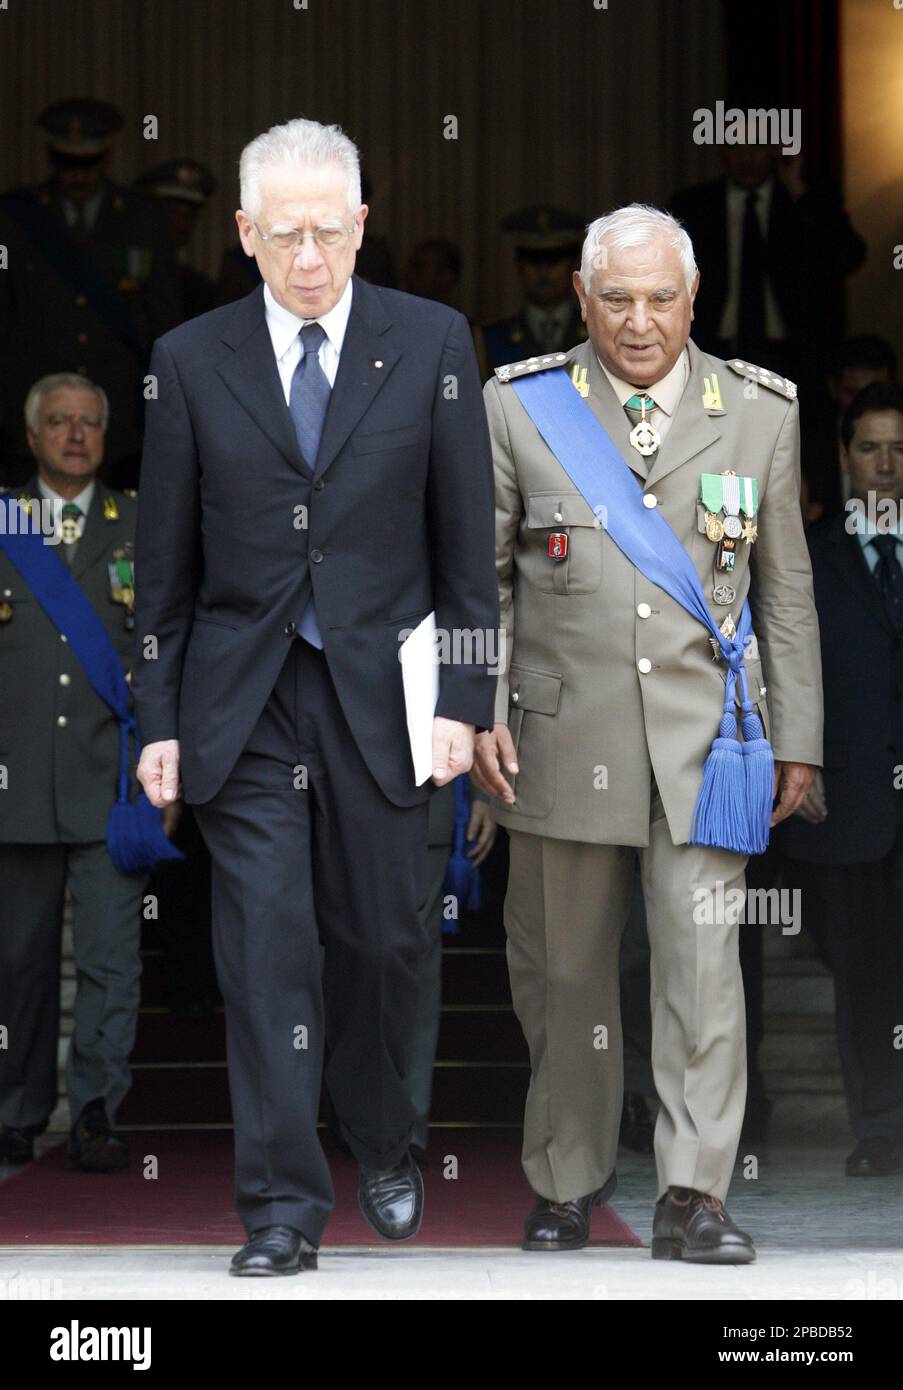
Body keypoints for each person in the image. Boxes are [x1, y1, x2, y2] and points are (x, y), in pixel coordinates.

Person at [131, 117, 498, 1277]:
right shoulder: (190, 360)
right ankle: (283, 1208)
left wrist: (466, 695)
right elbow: (166, 568)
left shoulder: (432, 340)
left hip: (385, 698)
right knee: (265, 955)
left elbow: (465, 553)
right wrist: (162, 723)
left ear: (361, 227)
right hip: (245, 701)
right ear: (243, 235)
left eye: (328, 233)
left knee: (387, 942)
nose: (307, 257)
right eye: (283, 234)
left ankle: (385, 1138)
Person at [473, 203, 822, 1263]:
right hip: (556, 736)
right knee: (566, 977)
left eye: (659, 298)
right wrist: (477, 718)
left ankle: (693, 1197)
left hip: (708, 749)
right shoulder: (521, 406)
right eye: (614, 298)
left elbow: (787, 590)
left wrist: (798, 736)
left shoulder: (760, 410)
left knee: (703, 976)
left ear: (694, 299)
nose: (637, 321)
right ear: (580, 298)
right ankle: (568, 1180)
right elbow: (481, 581)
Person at [0, 374, 151, 1172]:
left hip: (112, 787)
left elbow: (163, 659)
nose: (75, 435)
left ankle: (95, 1108)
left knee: (109, 960)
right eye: (59, 422)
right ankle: (16, 1111)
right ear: (32, 436)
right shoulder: (1, 523)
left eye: (89, 422)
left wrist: (166, 766)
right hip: (14, 783)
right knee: (16, 962)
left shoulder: (139, 526)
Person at [780, 383, 903, 1177]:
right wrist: (800, 755)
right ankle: (881, 1125)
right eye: (869, 448)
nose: (885, 466)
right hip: (852, 799)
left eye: (898, 451)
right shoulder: (807, 557)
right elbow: (777, 662)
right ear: (842, 456)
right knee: (863, 974)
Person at [0, 99, 181, 489]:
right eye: (66, 163)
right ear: (51, 158)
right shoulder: (15, 219)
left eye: (87, 164)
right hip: (32, 408)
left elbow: (165, 319)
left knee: (116, 531)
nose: (76, 176)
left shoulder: (141, 217)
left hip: (117, 415)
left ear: (106, 158)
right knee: (27, 530)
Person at [669, 147, 865, 408]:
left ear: (775, 152)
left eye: (758, 148)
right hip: (712, 352)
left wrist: (801, 195)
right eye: (737, 148)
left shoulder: (803, 201)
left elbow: (848, 256)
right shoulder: (694, 205)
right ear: (722, 152)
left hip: (795, 358)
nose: (748, 158)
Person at [477, 205, 587, 378]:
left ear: (573, 265)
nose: (543, 272)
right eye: (533, 261)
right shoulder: (488, 342)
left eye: (554, 260)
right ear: (519, 266)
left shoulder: (597, 335)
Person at [133, 158, 220, 322]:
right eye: (172, 212)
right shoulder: (128, 275)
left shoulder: (197, 289)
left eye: (189, 215)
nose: (181, 224)